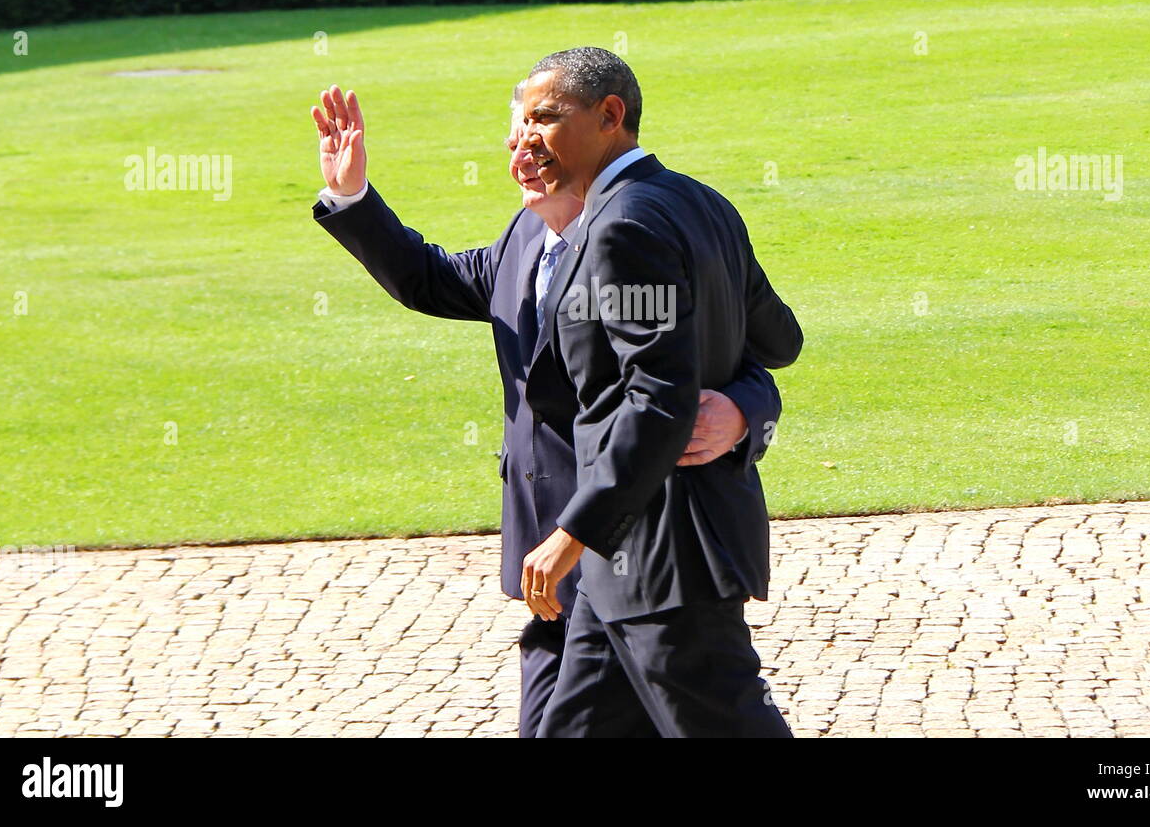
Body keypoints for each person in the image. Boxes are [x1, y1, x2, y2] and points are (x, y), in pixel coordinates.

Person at [308, 81, 785, 736]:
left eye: (539, 130)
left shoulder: (633, 227)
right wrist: (352, 198)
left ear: (605, 122)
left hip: (645, 549)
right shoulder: (525, 239)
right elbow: (428, 276)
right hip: (567, 572)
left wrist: (742, 410)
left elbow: (744, 352)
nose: (521, 155)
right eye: (514, 139)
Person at [515, 47, 804, 737]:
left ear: (610, 115)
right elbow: (777, 340)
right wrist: (741, 403)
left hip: (664, 555)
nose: (527, 139)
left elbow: (659, 398)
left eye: (547, 118)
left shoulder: (622, 226)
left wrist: (572, 533)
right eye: (524, 121)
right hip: (630, 568)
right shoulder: (703, 203)